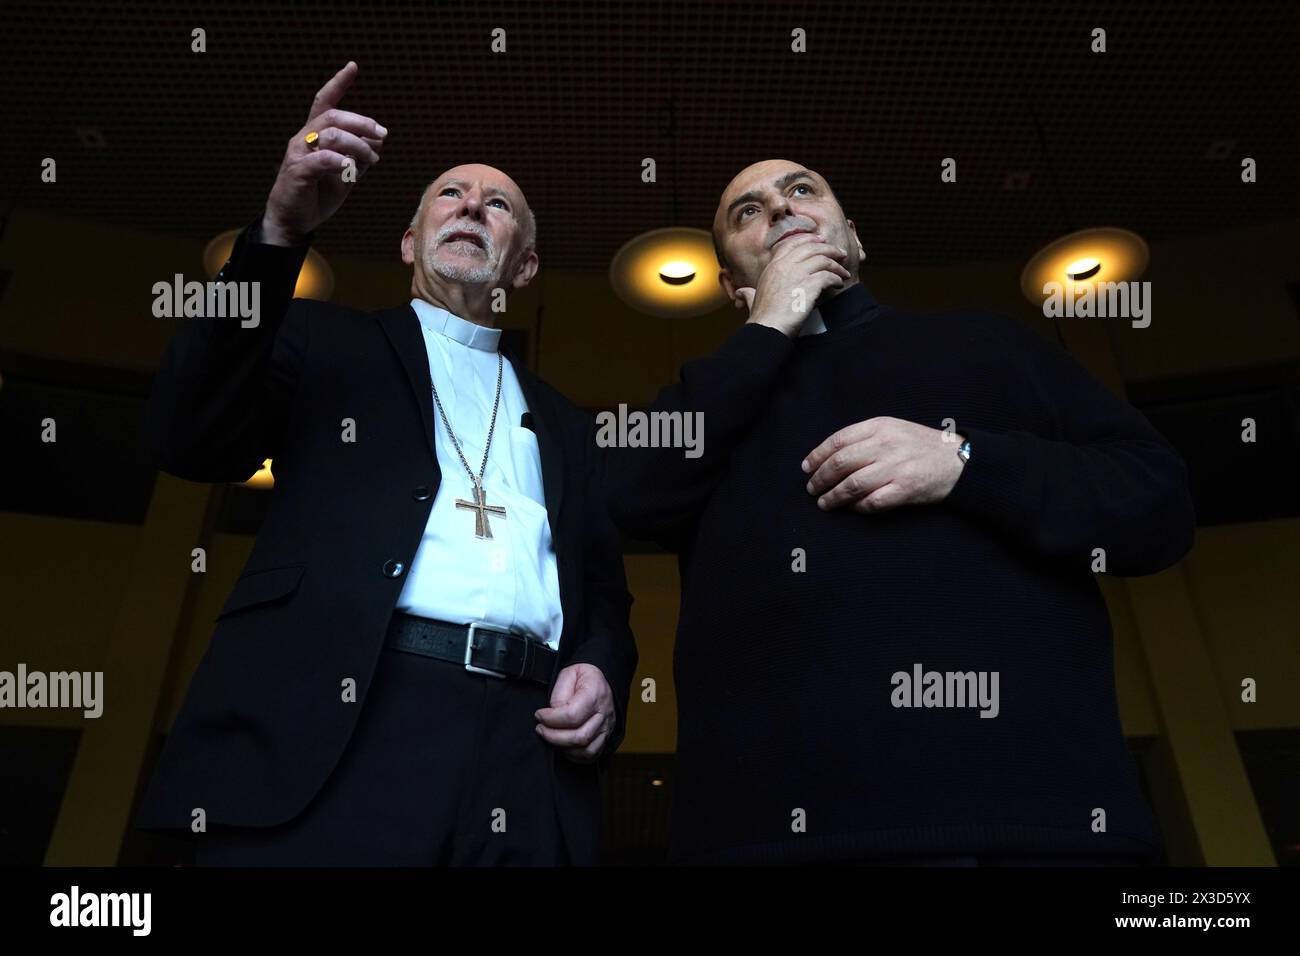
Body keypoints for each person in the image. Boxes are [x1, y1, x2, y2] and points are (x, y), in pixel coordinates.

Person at [606, 158, 1195, 866]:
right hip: (768, 835)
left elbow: (1158, 502)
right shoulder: (705, 402)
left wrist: (966, 461)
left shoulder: (992, 343)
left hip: (1028, 819)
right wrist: (769, 326)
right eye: (747, 212)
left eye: (801, 190)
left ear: (852, 238)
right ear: (733, 286)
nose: (782, 209)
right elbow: (621, 496)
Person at [135, 62, 637, 866]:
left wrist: (600, 669)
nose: (472, 204)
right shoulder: (321, 341)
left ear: (526, 267)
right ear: (410, 241)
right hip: (345, 724)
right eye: (450, 194)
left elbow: (606, 596)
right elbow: (187, 434)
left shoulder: (570, 426)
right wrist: (279, 231)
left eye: (498, 203)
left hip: (526, 752)